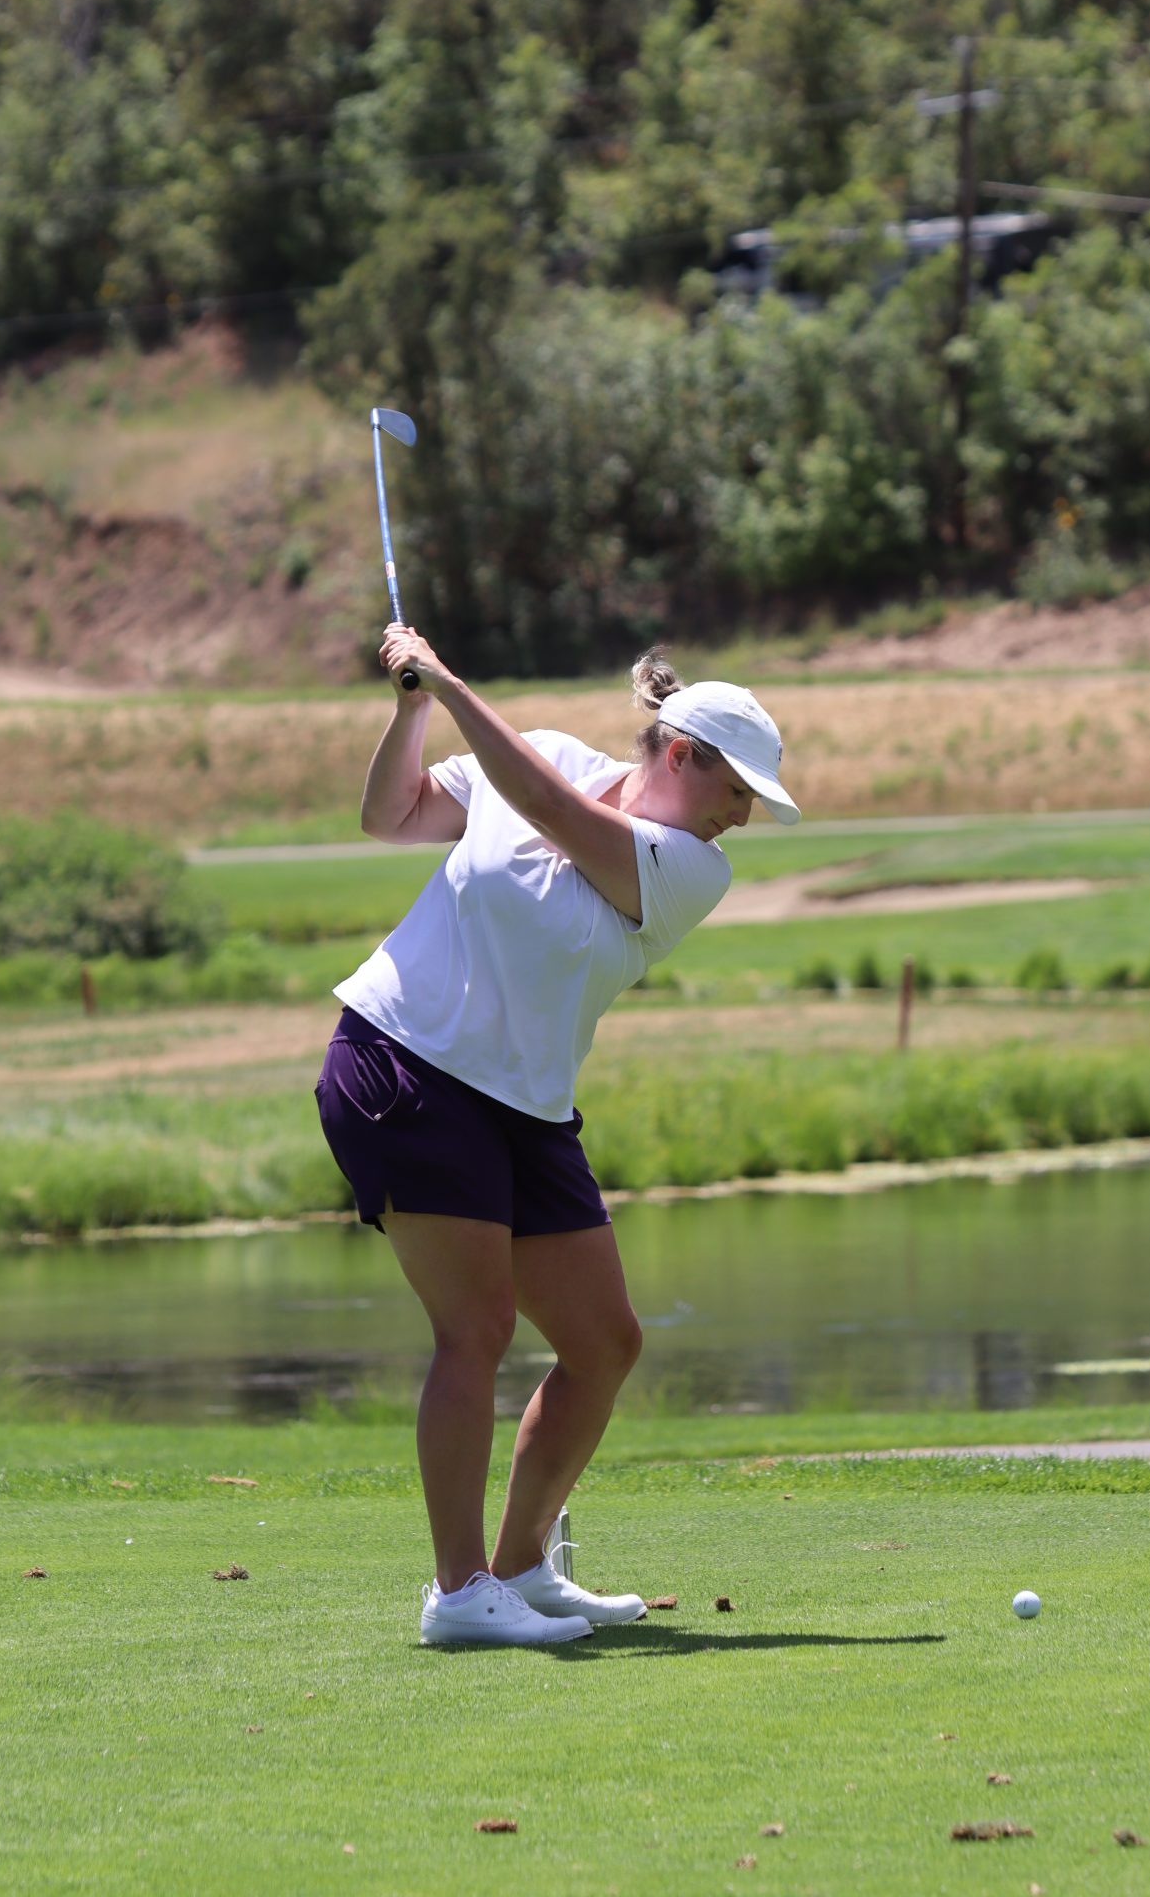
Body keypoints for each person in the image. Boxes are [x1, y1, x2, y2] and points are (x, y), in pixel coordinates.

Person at [315, 621, 800, 1647]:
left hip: (523, 1104)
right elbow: (390, 814)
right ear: (682, 756)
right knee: (477, 1327)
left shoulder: (687, 867)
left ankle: (523, 1565)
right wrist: (412, 708)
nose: (744, 815)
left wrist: (449, 679)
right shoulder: (539, 753)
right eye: (739, 789)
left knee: (603, 1340)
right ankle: (457, 1592)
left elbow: (544, 804)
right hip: (405, 1061)